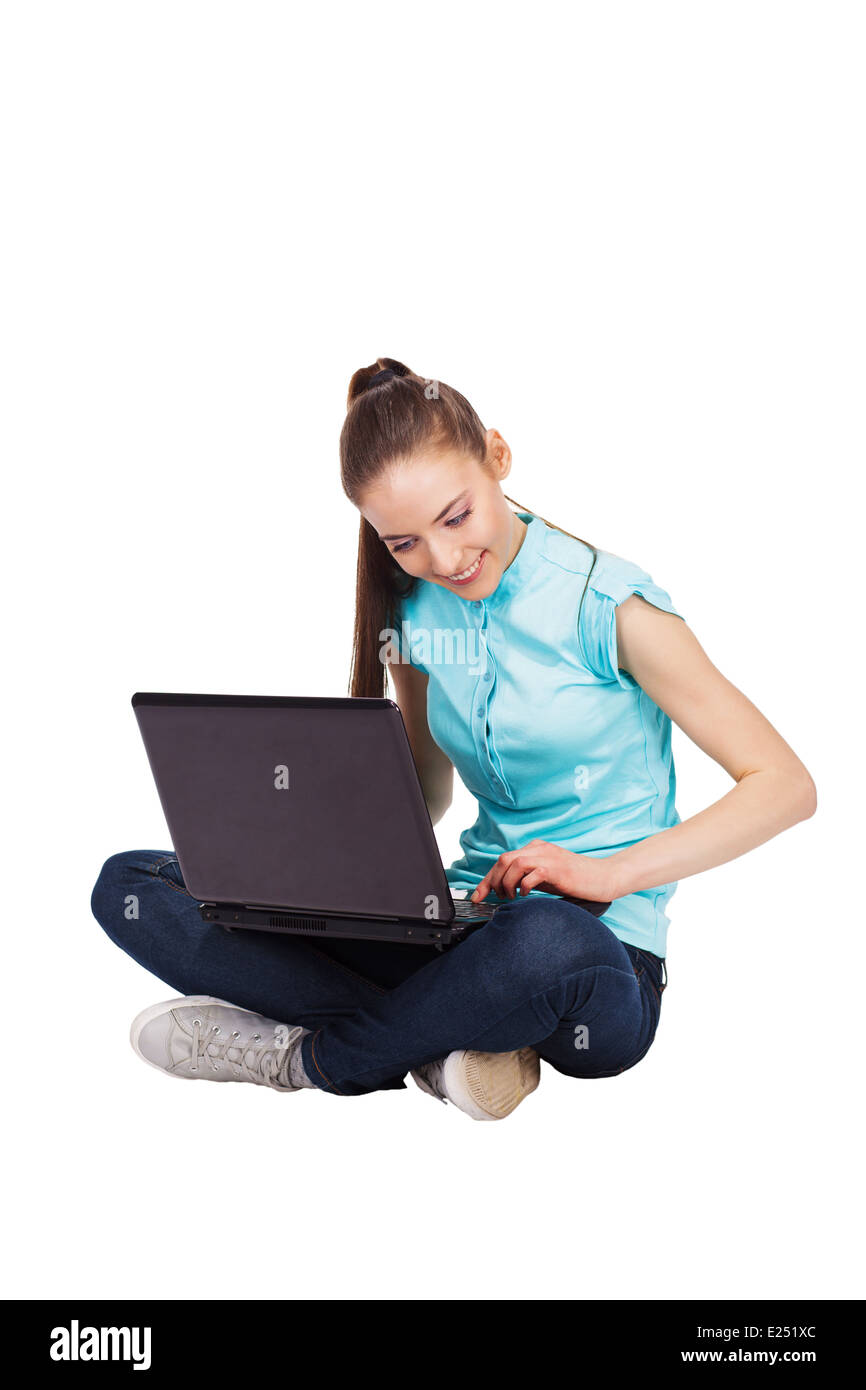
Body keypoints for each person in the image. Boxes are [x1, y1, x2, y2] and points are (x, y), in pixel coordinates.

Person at [90, 358, 817, 1121]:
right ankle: (454, 1045)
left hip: (598, 958)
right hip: (465, 922)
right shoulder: (412, 614)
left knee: (544, 940)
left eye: (456, 517)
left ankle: (312, 1058)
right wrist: (303, 858)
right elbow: (428, 791)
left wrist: (606, 874)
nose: (443, 561)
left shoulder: (612, 607)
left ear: (497, 457)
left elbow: (784, 785)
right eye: (403, 543)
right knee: (133, 886)